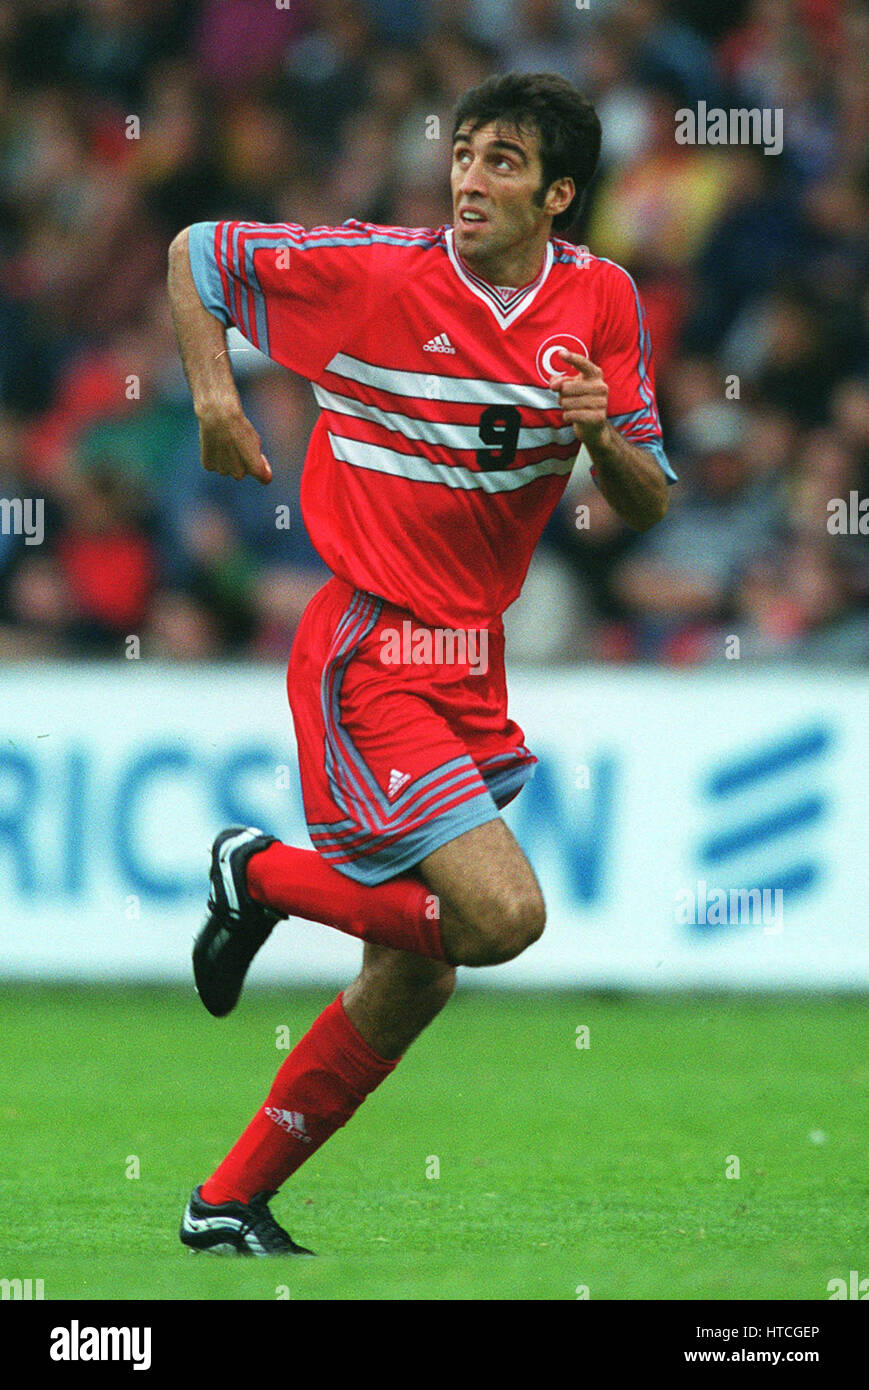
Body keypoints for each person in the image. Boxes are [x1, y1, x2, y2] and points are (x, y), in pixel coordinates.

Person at [167, 71, 674, 1256]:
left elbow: (647, 503)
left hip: (470, 661)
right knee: (499, 917)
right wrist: (210, 397)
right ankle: (259, 875)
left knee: (413, 975)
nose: (468, 178)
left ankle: (224, 1202)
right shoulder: (379, 273)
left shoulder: (601, 301)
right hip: (371, 649)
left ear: (558, 194)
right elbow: (199, 250)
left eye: (502, 161)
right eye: (461, 153)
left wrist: (604, 434)